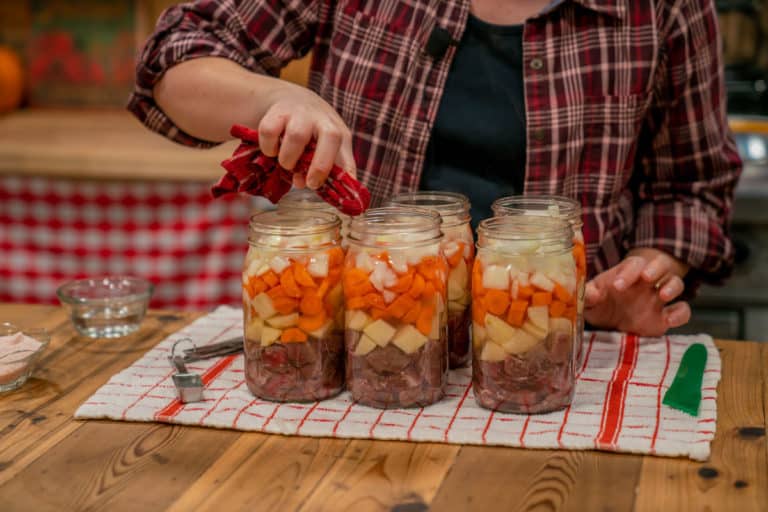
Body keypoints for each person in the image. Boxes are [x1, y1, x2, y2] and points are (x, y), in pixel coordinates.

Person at [128, 0, 742, 337]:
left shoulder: (666, 8)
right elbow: (174, 55)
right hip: (366, 334)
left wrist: (644, 279)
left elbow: (692, 189)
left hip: (562, 340)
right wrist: (273, 100)